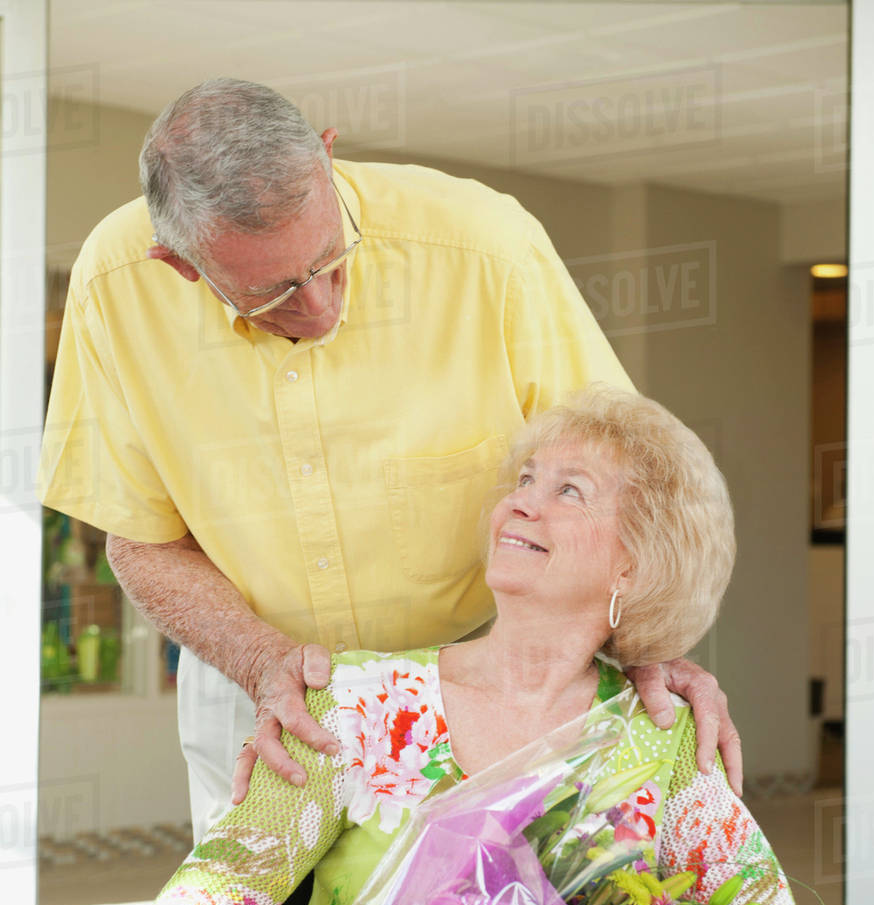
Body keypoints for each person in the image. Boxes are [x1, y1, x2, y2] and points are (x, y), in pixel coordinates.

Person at [140, 386, 808, 905]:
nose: (521, 504)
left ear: (633, 560)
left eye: (569, 490)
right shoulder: (359, 706)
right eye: (524, 480)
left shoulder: (658, 739)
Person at [37, 78, 741, 843]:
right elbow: (143, 538)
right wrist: (263, 661)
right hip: (257, 676)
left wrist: (648, 646)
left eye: (330, 260)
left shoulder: (486, 244)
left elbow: (622, 475)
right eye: (268, 294)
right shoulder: (115, 287)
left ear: (329, 163)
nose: (318, 307)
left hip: (485, 675)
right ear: (179, 265)